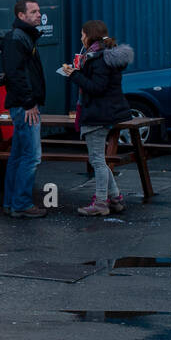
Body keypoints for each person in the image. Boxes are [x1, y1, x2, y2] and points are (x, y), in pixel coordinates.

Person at [63, 21, 134, 216]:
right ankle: (115, 198)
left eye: (82, 34)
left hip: (97, 114)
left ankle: (101, 202)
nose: (80, 38)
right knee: (99, 160)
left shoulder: (98, 59)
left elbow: (96, 88)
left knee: (97, 161)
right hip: (108, 112)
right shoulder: (105, 56)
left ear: (90, 36)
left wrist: (74, 75)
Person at [1, 0, 48, 218]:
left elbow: (16, 72)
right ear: (21, 15)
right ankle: (21, 204)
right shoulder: (17, 38)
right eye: (33, 11)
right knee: (31, 156)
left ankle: (12, 202)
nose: (39, 14)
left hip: (22, 104)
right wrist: (29, 103)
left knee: (19, 156)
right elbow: (17, 73)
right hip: (25, 106)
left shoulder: (22, 37)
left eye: (38, 11)